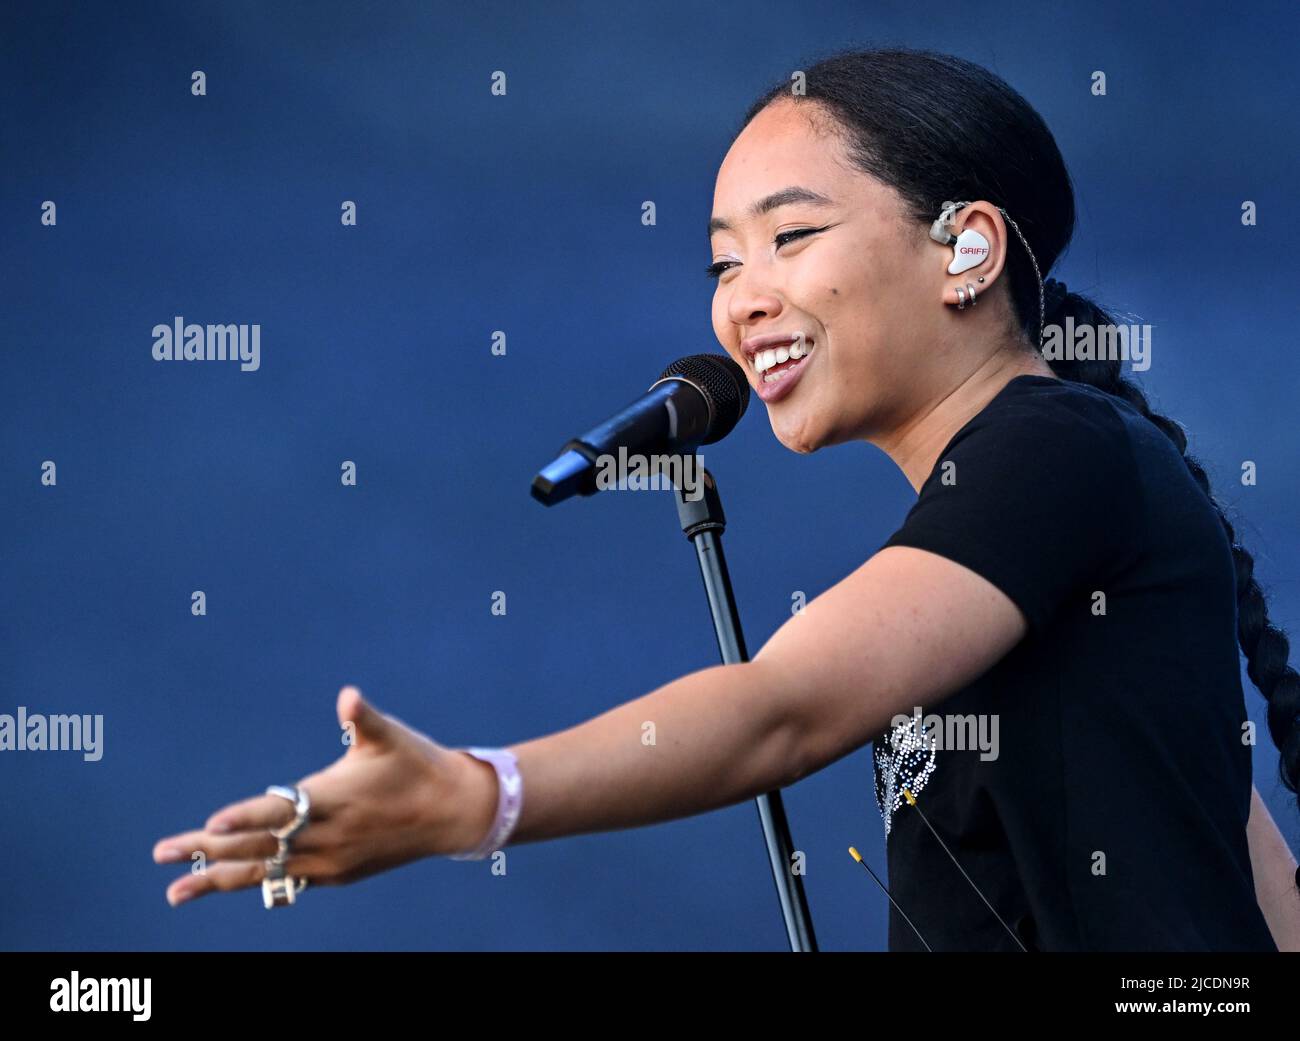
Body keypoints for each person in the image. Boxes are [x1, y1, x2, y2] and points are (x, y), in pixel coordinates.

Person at [153, 47, 1300, 951]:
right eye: (721, 265)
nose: (742, 302)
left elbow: (780, 711)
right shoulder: (1040, 497)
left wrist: (477, 797)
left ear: (967, 252)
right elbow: (1250, 888)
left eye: (790, 237)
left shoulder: (1053, 445)